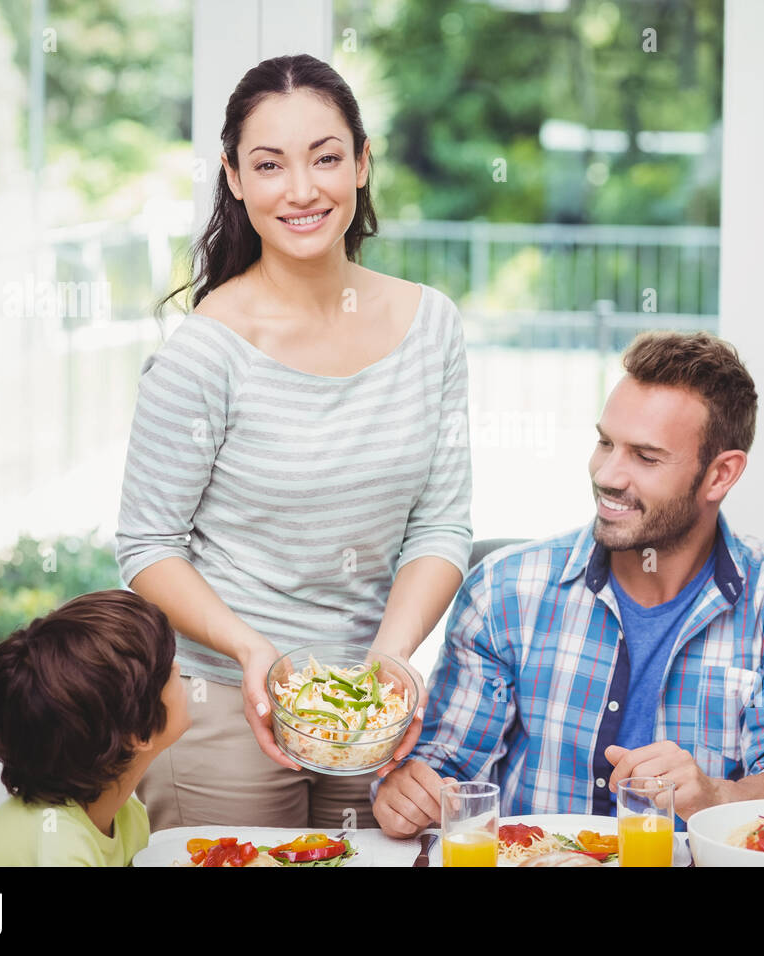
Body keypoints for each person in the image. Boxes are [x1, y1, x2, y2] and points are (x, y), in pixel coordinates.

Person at [115, 53, 471, 831]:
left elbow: (441, 525)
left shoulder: (430, 326)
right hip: (220, 710)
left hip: (371, 720)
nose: (302, 190)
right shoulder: (204, 352)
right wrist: (254, 654)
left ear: (363, 162)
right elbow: (147, 545)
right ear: (234, 178)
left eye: (327, 157)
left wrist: (389, 664)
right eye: (270, 165)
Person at [372, 331, 764, 836]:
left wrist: (715, 796)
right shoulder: (504, 589)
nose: (607, 474)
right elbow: (445, 767)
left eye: (645, 456)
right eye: (604, 442)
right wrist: (406, 794)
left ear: (720, 475)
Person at [0, 590, 188, 866]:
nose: (177, 667)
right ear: (139, 733)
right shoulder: (62, 845)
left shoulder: (128, 815)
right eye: (165, 671)